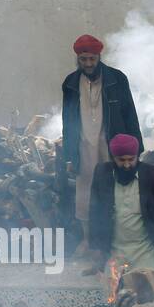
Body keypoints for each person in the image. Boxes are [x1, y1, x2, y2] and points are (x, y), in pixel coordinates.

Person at [60, 34, 142, 241]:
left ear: (99, 57)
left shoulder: (117, 79)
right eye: (83, 60)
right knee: (85, 193)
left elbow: (130, 114)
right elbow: (67, 121)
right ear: (78, 59)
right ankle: (88, 241)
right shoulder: (70, 83)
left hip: (112, 145)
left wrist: (136, 147)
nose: (88, 64)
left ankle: (116, 240)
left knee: (114, 190)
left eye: (92, 59)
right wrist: (69, 155)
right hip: (83, 147)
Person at [87, 134, 154, 279]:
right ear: (113, 158)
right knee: (118, 297)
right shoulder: (102, 173)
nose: (127, 165)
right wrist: (95, 246)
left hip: (146, 251)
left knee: (150, 294)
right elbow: (95, 211)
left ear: (137, 157)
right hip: (114, 250)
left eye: (131, 159)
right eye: (121, 160)